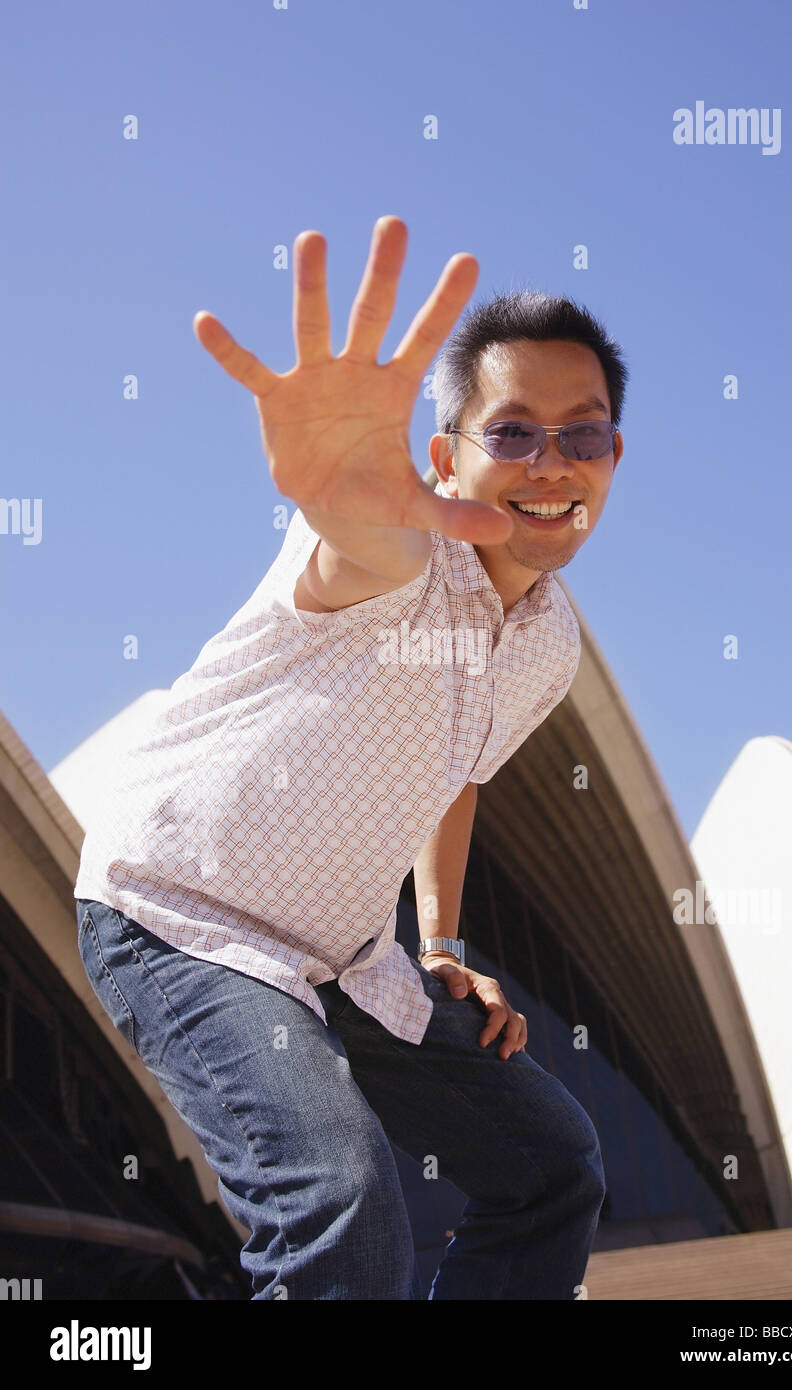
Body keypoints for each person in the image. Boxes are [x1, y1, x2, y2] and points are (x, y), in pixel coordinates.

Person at [74, 215, 626, 1300]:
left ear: (614, 458)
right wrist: (332, 494)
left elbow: (456, 771)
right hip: (180, 919)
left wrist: (445, 937)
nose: (549, 463)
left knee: (552, 1167)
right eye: (509, 433)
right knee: (343, 1202)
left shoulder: (550, 642)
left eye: (583, 434)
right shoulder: (402, 550)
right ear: (442, 457)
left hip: (341, 957)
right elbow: (352, 544)